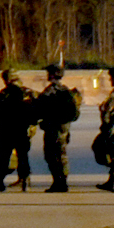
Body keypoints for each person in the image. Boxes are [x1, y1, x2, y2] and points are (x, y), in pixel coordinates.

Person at [33, 64, 84, 193]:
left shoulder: (51, 91)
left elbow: (40, 107)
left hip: (53, 127)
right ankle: (63, 181)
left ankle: (59, 181)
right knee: (62, 154)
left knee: (52, 155)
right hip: (64, 128)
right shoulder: (65, 90)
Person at [0, 67, 38, 192]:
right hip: (23, 129)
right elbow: (37, 110)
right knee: (22, 155)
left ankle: (0, 181)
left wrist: (1, 124)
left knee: (2, 155)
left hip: (7, 130)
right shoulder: (28, 92)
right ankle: (25, 180)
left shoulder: (4, 94)